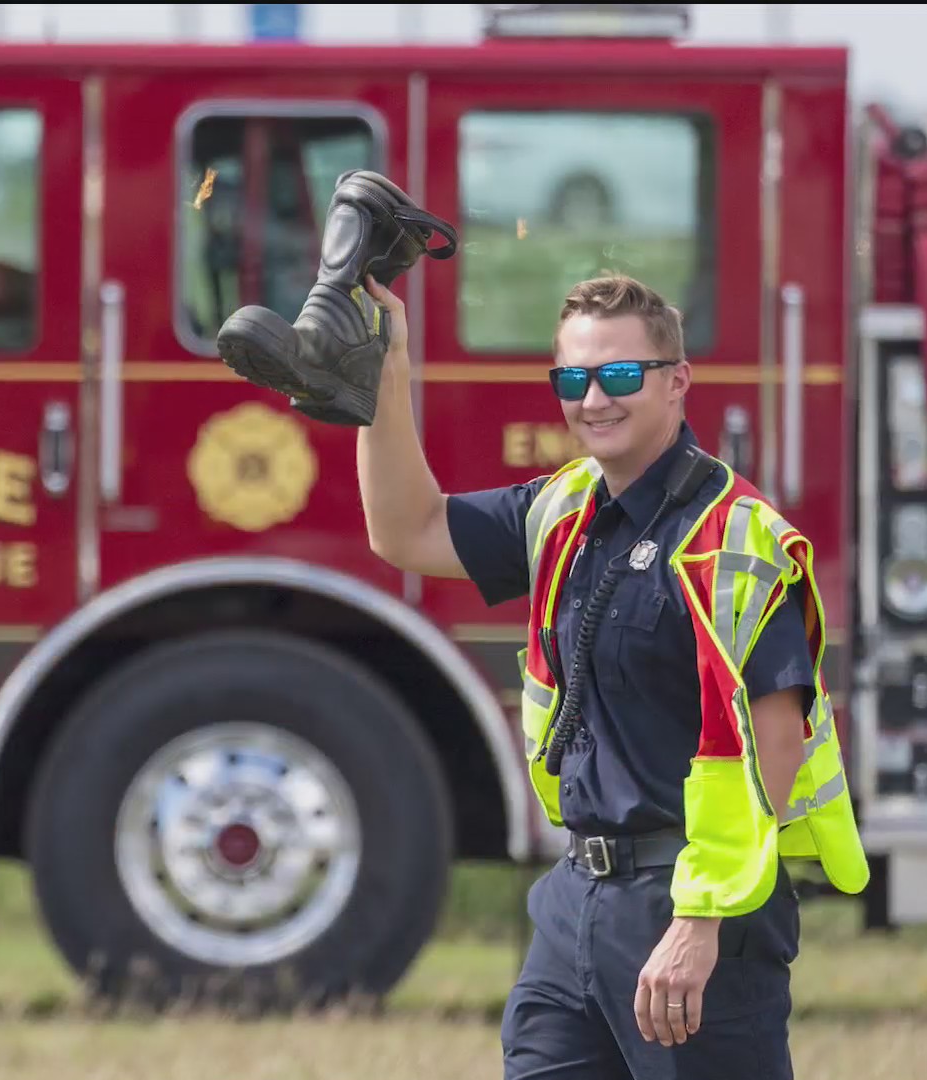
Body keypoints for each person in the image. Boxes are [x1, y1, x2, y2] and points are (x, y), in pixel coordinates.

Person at [353, 271, 869, 1079]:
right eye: (574, 378)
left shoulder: (737, 540)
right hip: (574, 903)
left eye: (621, 375)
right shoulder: (564, 509)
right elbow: (406, 530)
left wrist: (700, 920)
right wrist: (383, 371)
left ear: (677, 382)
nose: (595, 398)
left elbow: (773, 748)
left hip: (694, 902)